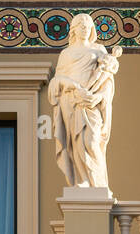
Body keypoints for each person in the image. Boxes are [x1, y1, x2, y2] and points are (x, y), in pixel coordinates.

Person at [48, 14, 121, 188]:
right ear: (73, 30)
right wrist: (72, 86)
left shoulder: (99, 51)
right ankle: (83, 180)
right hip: (71, 101)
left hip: (91, 103)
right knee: (75, 142)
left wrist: (99, 96)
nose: (85, 29)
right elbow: (56, 81)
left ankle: (98, 183)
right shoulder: (66, 54)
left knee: (91, 140)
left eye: (88, 26)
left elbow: (107, 81)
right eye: (81, 26)